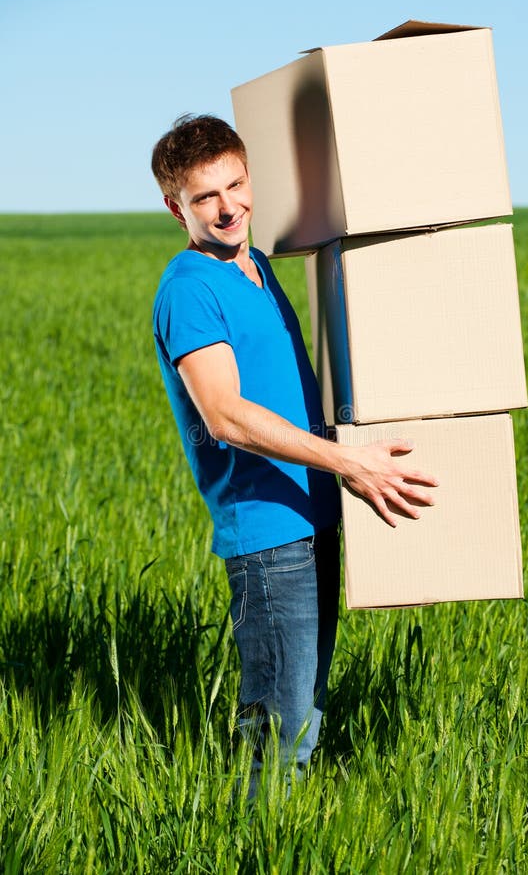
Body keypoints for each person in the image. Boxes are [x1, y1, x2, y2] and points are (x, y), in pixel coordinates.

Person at [151, 114, 438, 786]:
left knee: (302, 712)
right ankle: (257, 850)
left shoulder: (253, 265)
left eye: (237, 185)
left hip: (312, 519)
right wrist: (351, 462)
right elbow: (224, 416)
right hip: (268, 537)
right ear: (175, 207)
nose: (228, 208)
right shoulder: (190, 290)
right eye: (205, 197)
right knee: (280, 739)